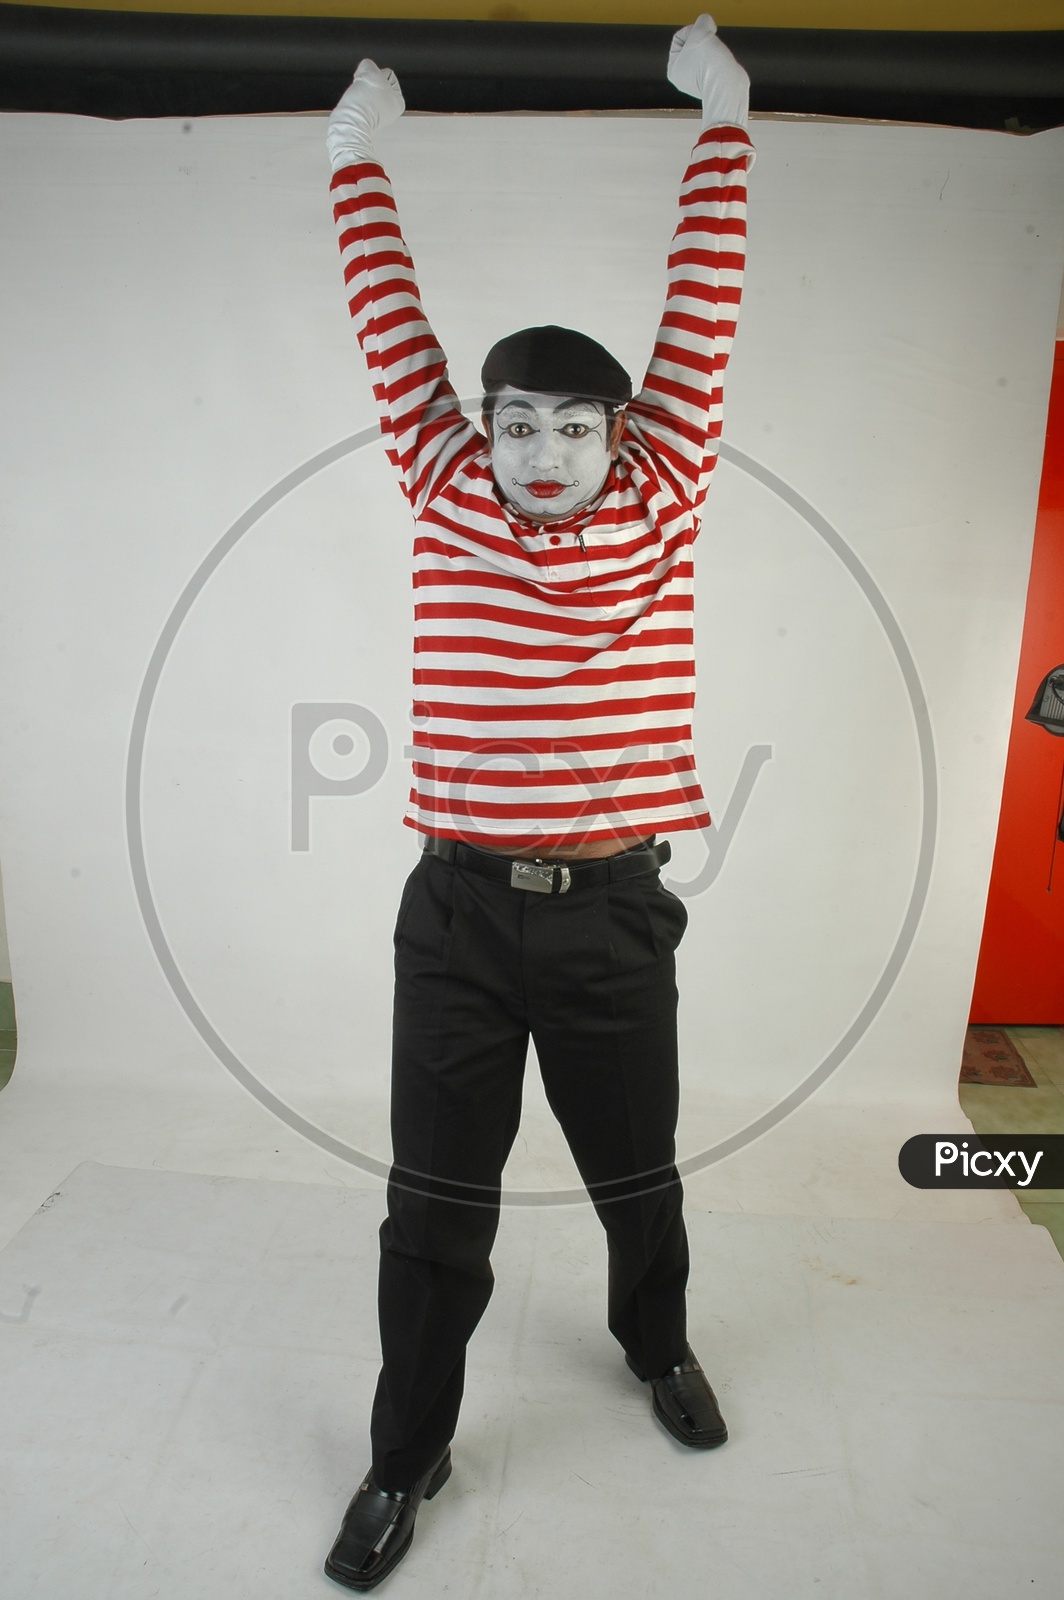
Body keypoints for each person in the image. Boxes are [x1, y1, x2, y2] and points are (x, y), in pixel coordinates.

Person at [323, 16, 752, 1590]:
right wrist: (353, 157)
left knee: (637, 1173)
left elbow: (703, 303)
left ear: (622, 436)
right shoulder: (444, 482)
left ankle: (658, 1344)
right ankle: (403, 1455)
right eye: (518, 423)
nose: (545, 450)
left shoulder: (665, 487)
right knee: (433, 1206)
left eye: (576, 425)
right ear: (481, 432)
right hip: (454, 916)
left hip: (612, 913)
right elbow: (390, 316)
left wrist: (726, 119)